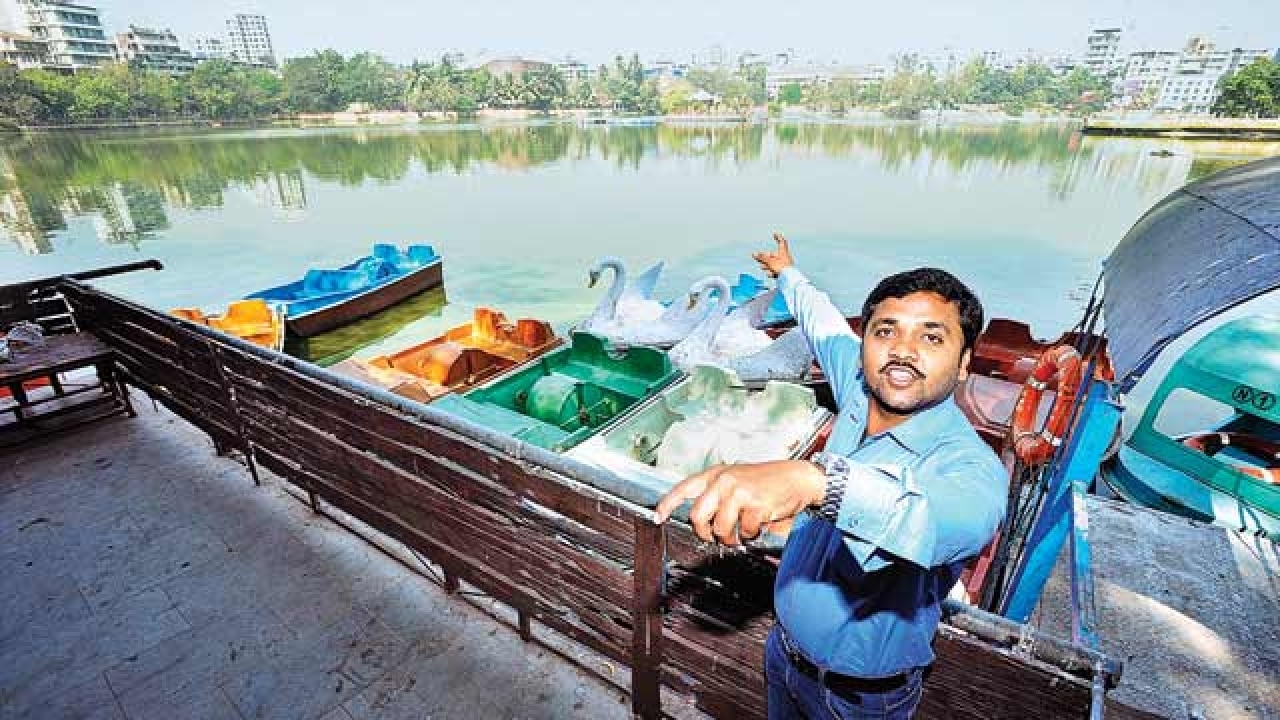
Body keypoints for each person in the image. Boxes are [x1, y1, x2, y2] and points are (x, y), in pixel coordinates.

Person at [654, 234, 1007, 720]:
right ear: (865, 345)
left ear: (965, 362)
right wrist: (788, 273)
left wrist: (816, 482)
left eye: (931, 337)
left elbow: (941, 520)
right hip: (782, 656)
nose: (902, 351)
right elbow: (821, 322)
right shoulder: (860, 389)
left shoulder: (972, 467)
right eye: (885, 331)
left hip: (860, 699)